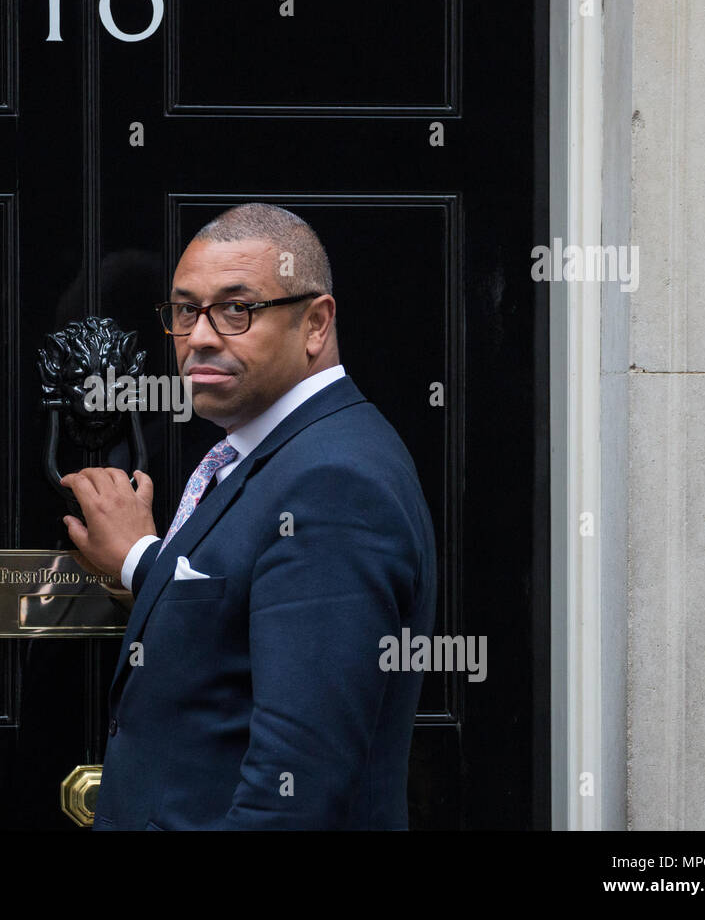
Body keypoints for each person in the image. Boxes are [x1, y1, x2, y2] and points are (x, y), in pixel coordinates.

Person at [60, 203, 436, 829]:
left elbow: (298, 791)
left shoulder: (334, 484)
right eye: (185, 311)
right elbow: (239, 622)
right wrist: (141, 562)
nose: (200, 337)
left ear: (315, 323)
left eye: (238, 309)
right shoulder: (276, 453)